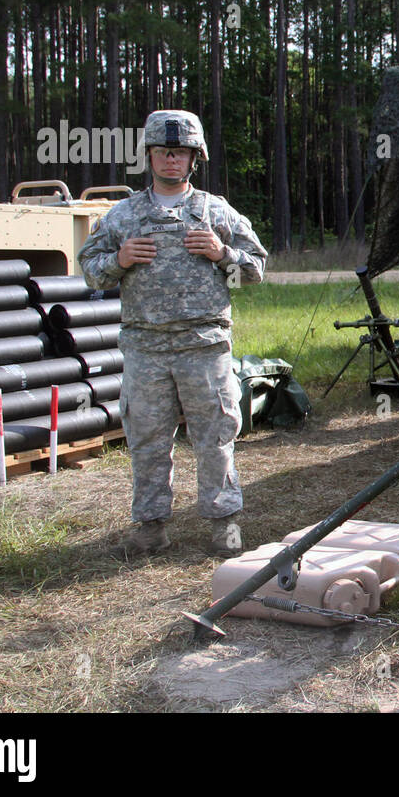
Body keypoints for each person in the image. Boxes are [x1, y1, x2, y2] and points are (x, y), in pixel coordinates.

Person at [80, 110, 267, 558]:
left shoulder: (215, 211)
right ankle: (149, 525)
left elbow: (256, 268)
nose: (170, 159)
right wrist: (119, 259)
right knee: (146, 439)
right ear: (149, 156)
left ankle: (223, 521)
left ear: (193, 158)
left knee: (215, 438)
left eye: (179, 152)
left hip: (203, 347)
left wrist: (224, 254)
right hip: (146, 349)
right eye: (163, 152)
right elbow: (90, 271)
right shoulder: (122, 216)